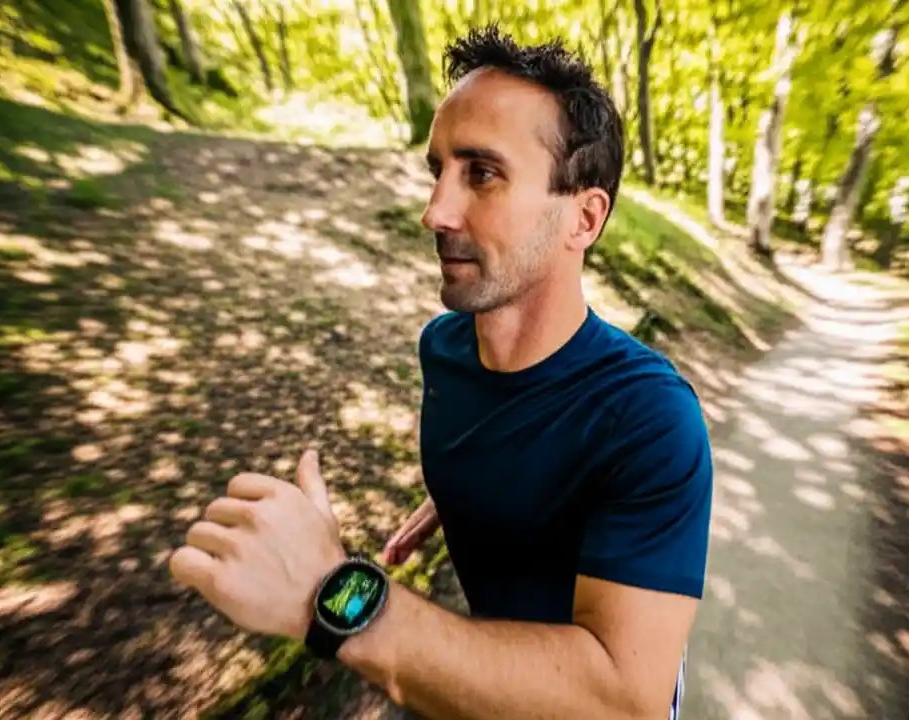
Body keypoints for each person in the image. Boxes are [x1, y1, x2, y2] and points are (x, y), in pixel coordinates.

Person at [169, 26, 713, 720]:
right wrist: (474, 494)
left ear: (583, 217)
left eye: (482, 174)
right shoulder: (445, 348)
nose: (435, 211)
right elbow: (510, 426)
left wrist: (328, 595)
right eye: (439, 171)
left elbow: (622, 702)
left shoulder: (651, 421)